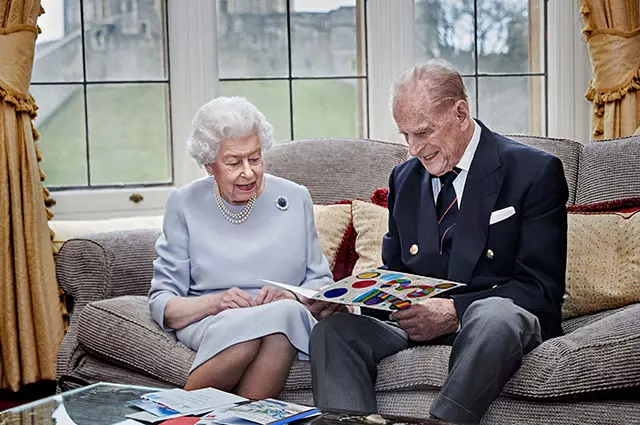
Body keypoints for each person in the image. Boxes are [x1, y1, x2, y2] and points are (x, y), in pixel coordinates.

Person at [309, 61, 568, 425]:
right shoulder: (404, 177)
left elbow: (541, 290)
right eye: (405, 136)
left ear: (460, 113)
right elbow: (396, 273)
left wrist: (454, 312)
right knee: (333, 333)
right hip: (414, 324)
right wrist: (350, 303)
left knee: (495, 316)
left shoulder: (533, 171)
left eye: (423, 132)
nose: (413, 149)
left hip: (488, 325)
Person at [148, 96, 338, 399]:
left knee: (281, 321)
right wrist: (217, 302)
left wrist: (290, 294)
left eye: (255, 158)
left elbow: (320, 283)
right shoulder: (184, 203)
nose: (248, 172)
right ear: (210, 166)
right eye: (234, 162)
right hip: (211, 317)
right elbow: (163, 302)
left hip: (283, 314)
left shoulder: (295, 197)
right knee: (255, 334)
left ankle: (178, 416)